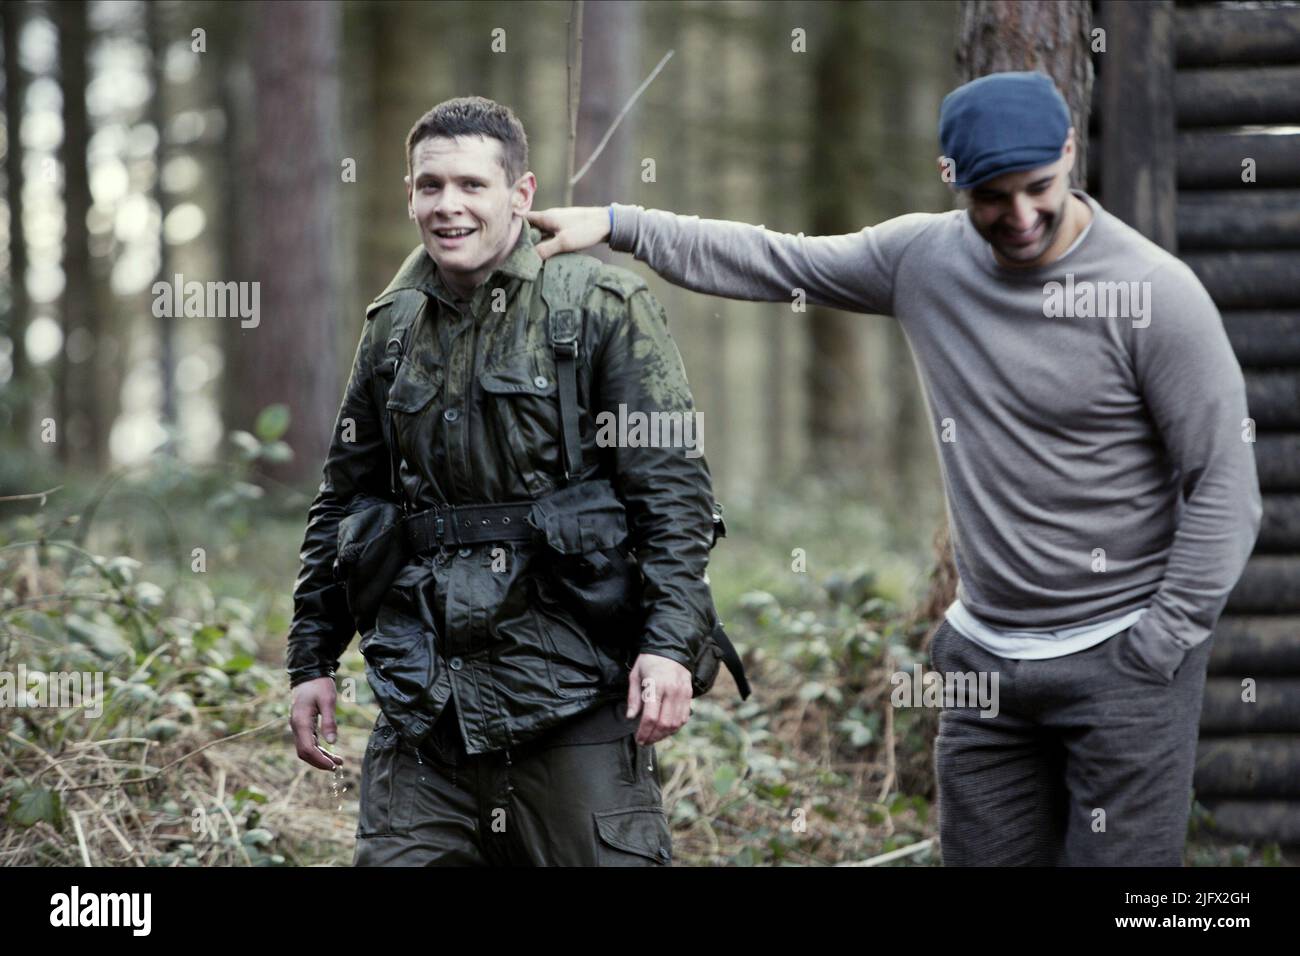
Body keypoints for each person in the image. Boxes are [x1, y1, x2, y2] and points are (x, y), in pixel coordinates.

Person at [525, 71, 1262, 866]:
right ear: (951, 179)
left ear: (1071, 153)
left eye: (1039, 188)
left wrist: (1161, 645)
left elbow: (1225, 486)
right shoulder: (923, 259)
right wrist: (617, 222)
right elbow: (779, 262)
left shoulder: (1154, 294)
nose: (1019, 217)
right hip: (987, 667)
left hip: (1124, 661)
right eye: (991, 196)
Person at [285, 96, 722, 866]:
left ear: (520, 195)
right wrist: (311, 660)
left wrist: (670, 647)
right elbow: (347, 499)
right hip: (425, 702)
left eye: (471, 185)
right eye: (429, 186)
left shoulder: (600, 305)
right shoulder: (390, 326)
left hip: (574, 693)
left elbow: (674, 494)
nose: (447, 205)